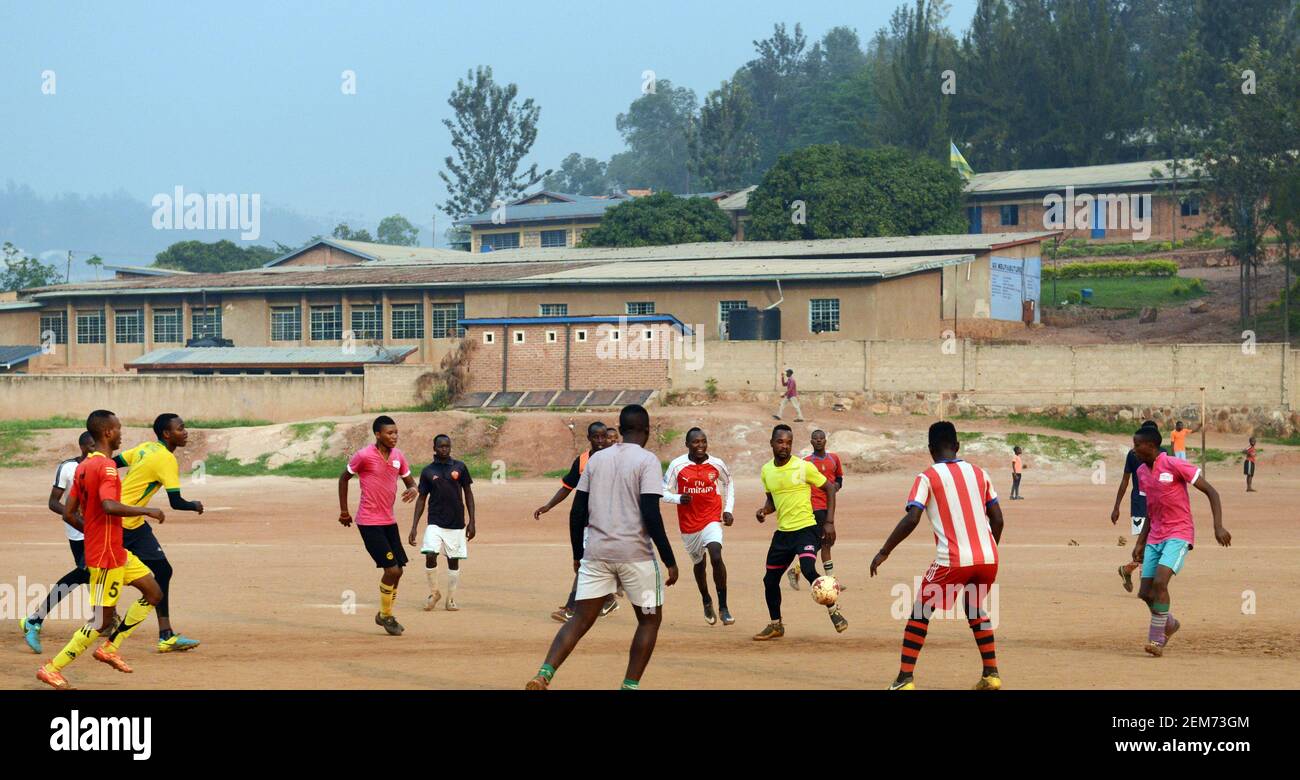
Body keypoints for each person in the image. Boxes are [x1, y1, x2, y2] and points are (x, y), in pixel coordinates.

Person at [526, 404, 678, 690]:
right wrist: (669, 559)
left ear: (619, 430)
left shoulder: (595, 460)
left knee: (580, 618)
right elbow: (651, 512)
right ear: (647, 430)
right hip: (636, 557)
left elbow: (577, 511)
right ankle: (629, 686)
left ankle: (544, 672)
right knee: (648, 621)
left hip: (597, 554)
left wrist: (577, 555)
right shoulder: (647, 461)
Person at [37, 411, 165, 689]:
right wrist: (148, 509)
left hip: (115, 550)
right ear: (108, 432)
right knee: (100, 620)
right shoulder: (106, 467)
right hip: (106, 557)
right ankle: (52, 667)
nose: (121, 434)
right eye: (119, 429)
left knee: (153, 592)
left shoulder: (83, 466)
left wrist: (93, 533)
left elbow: (69, 513)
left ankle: (110, 648)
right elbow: (109, 506)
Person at [871, 421, 1004, 691]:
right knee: (974, 607)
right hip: (989, 557)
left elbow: (912, 518)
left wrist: (884, 551)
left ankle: (904, 679)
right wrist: (988, 550)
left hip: (953, 559)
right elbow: (998, 519)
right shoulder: (980, 473)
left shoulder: (927, 477)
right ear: (957, 446)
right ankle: (991, 674)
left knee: (920, 611)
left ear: (930, 449)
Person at [1131, 424, 1231, 657]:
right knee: (1145, 593)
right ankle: (1169, 623)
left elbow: (1211, 492)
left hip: (1179, 533)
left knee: (1160, 583)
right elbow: (1150, 510)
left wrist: (1218, 526)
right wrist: (1140, 542)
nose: (1134, 449)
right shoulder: (1142, 473)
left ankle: (1156, 641)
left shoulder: (1174, 464)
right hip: (1155, 535)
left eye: (1137, 445)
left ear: (1151, 446)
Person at [109, 413, 205, 653]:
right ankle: (36, 618)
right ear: (167, 434)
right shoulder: (165, 459)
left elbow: (113, 463)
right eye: (180, 428)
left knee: (163, 570)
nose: (185, 432)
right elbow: (176, 502)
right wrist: (195, 505)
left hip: (133, 522)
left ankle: (166, 634)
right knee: (85, 573)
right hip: (119, 523)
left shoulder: (146, 448)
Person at [753, 424, 846, 640]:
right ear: (772, 443)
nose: (784, 446)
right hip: (783, 534)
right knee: (769, 580)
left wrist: (829, 522)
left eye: (788, 442)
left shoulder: (803, 467)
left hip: (806, 529)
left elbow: (830, 488)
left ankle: (834, 611)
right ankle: (776, 625)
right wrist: (764, 511)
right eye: (780, 441)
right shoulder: (767, 471)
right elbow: (772, 499)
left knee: (807, 568)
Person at [533, 421, 618, 622]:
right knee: (592, 563)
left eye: (603, 437)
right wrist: (548, 506)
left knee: (587, 563)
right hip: (589, 520)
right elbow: (567, 487)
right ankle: (608, 599)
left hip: (610, 522)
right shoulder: (581, 462)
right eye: (595, 437)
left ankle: (572, 607)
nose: (600, 441)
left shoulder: (616, 461)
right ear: (588, 438)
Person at [339, 415, 417, 636]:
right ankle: (385, 616)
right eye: (389, 433)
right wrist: (344, 511)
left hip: (389, 522)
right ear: (378, 434)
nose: (394, 437)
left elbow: (411, 482)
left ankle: (385, 614)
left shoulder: (398, 457)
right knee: (391, 569)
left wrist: (413, 489)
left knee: (399, 571)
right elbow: (343, 478)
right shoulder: (364, 456)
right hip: (368, 522)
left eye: (396, 433)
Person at [20, 431, 96, 653]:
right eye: (91, 446)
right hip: (78, 532)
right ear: (82, 447)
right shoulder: (68, 468)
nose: (94, 449)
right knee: (85, 572)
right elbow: (53, 502)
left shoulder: (104, 464)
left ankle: (103, 617)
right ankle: (34, 619)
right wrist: (76, 517)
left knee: (96, 572)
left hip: (98, 530)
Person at [662, 428, 735, 626]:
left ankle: (723, 606)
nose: (700, 445)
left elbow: (729, 483)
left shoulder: (717, 464)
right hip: (689, 525)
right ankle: (706, 599)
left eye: (703, 441)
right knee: (699, 564)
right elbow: (662, 491)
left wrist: (727, 509)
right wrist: (678, 498)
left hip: (711, 518)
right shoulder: (677, 465)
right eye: (696, 442)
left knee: (716, 554)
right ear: (687, 444)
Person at [408, 434, 476, 611]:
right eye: (441, 446)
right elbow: (422, 498)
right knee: (430, 553)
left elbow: (468, 493)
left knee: (453, 561)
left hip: (456, 522)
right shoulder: (428, 471)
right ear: (434, 448)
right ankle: (434, 592)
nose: (444, 449)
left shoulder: (460, 467)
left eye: (447, 446)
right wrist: (414, 526)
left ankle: (450, 599)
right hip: (435, 521)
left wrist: (472, 521)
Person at [788, 429, 844, 591]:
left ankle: (796, 570)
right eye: (815, 439)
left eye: (821, 438)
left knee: (824, 542)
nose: (819, 441)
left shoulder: (834, 458)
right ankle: (831, 580)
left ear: (825, 440)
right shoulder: (805, 462)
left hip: (829, 506)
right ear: (811, 442)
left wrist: (837, 486)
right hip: (814, 506)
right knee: (825, 541)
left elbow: (839, 477)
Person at [1111, 421, 1157, 593]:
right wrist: (1116, 507)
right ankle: (1145, 586)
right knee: (1144, 543)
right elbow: (1125, 480)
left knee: (1153, 543)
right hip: (1139, 503)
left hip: (1157, 504)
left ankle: (1127, 570)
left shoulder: (1163, 453)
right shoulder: (1132, 454)